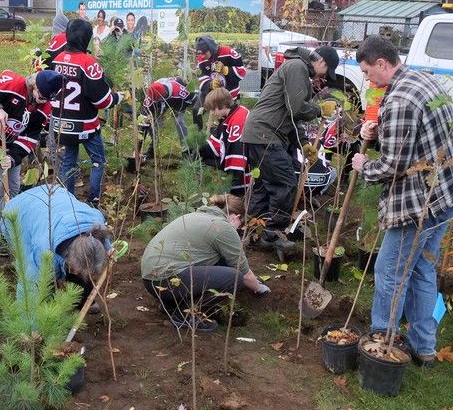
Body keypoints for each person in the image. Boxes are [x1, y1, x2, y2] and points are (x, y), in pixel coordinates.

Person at [351, 36, 453, 367]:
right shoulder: (420, 79)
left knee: (389, 270)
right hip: (450, 192)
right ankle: (424, 348)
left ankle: (382, 344)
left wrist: (364, 166)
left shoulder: (400, 101)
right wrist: (377, 135)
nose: (367, 79)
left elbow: (392, 166)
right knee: (420, 268)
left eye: (367, 71)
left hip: (424, 203)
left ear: (383, 64)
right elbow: (412, 141)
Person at [240, 45, 337, 250]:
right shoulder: (297, 67)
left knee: (265, 186)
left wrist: (303, 143)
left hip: (261, 133)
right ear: (322, 62)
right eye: (327, 72)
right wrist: (319, 109)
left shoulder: (296, 68)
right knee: (286, 184)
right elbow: (297, 107)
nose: (325, 79)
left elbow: (291, 117)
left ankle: (252, 229)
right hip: (266, 134)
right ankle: (273, 235)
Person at [141, 195, 270, 333]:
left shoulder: (196, 216)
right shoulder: (222, 227)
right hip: (169, 280)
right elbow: (244, 275)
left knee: (221, 262)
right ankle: (186, 316)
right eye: (240, 223)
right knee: (235, 278)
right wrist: (259, 288)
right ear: (235, 217)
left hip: (151, 281)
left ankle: (172, 305)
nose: (239, 228)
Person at [0, 69, 57, 255]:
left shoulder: (45, 107)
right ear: (33, 86)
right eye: (40, 96)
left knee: (14, 186)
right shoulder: (14, 83)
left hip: (11, 147)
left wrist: (13, 157)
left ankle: (9, 228)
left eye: (47, 99)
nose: (42, 101)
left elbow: (31, 135)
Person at [48, 18, 120, 207]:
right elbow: (102, 100)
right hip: (85, 125)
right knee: (98, 161)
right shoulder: (89, 64)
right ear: (87, 39)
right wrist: (118, 97)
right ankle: (92, 201)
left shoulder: (55, 59)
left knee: (68, 163)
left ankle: (67, 202)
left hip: (60, 123)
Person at [1, 184, 112, 298]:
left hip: (53, 193)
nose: (78, 273)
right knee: (37, 274)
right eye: (75, 270)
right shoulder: (42, 249)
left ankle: (81, 298)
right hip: (17, 213)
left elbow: (101, 236)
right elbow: (28, 287)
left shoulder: (95, 220)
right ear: (67, 259)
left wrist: (108, 249)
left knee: (81, 271)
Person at [201, 88, 250, 195]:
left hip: (243, 178)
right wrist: (199, 148)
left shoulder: (239, 118)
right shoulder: (229, 116)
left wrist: (231, 180)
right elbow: (217, 144)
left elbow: (236, 151)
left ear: (223, 105)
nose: (212, 113)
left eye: (214, 109)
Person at [139, 77, 196, 157]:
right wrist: (137, 149)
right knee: (156, 124)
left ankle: (187, 151)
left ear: (164, 93)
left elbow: (195, 100)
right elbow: (142, 123)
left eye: (158, 99)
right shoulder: (150, 98)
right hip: (161, 102)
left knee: (178, 122)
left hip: (179, 100)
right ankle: (151, 152)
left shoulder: (180, 91)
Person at [195, 35, 247, 106]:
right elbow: (201, 76)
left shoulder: (228, 52)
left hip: (230, 93)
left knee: (228, 115)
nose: (202, 56)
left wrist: (226, 70)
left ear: (211, 48)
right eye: (200, 53)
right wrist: (210, 84)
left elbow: (242, 71)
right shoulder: (201, 58)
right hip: (212, 93)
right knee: (196, 109)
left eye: (204, 53)